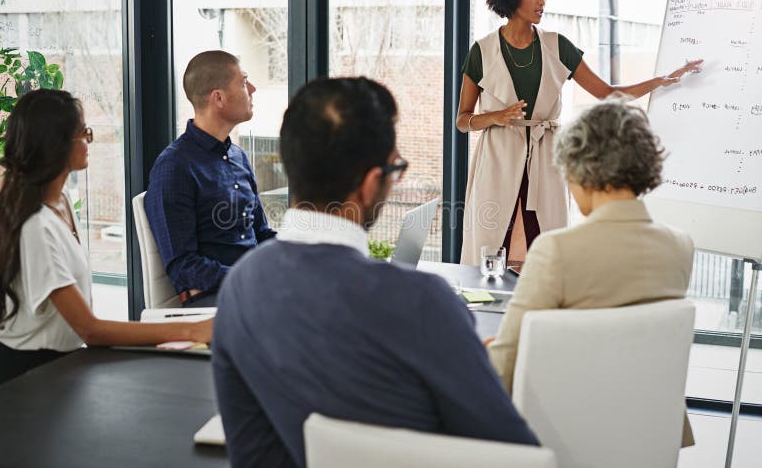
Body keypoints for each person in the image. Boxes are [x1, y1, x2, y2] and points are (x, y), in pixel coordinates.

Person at [211, 77, 539, 468]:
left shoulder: (240, 286)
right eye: (394, 168)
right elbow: (518, 455)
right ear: (369, 185)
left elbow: (251, 451)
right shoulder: (422, 303)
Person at [457, 0, 702, 264]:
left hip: (545, 158)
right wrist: (495, 117)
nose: (542, 1)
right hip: (497, 161)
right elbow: (463, 120)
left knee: (544, 248)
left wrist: (658, 80)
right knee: (489, 246)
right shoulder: (482, 51)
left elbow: (608, 93)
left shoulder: (557, 46)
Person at [486, 96, 695, 445]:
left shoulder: (556, 251)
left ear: (583, 167)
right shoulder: (680, 247)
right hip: (649, 433)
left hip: (563, 431)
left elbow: (505, 365)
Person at [0, 89, 212, 390]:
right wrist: (191, 331)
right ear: (58, 145)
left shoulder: (61, 201)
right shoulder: (37, 227)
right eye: (84, 133)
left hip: (60, 365)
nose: (89, 140)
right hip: (25, 382)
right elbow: (89, 330)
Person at [145, 51, 276, 307]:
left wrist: (300, 254)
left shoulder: (237, 156)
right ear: (219, 97)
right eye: (243, 82)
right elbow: (183, 266)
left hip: (252, 289)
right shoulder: (174, 167)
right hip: (215, 299)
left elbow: (260, 233)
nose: (253, 88)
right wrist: (251, 278)